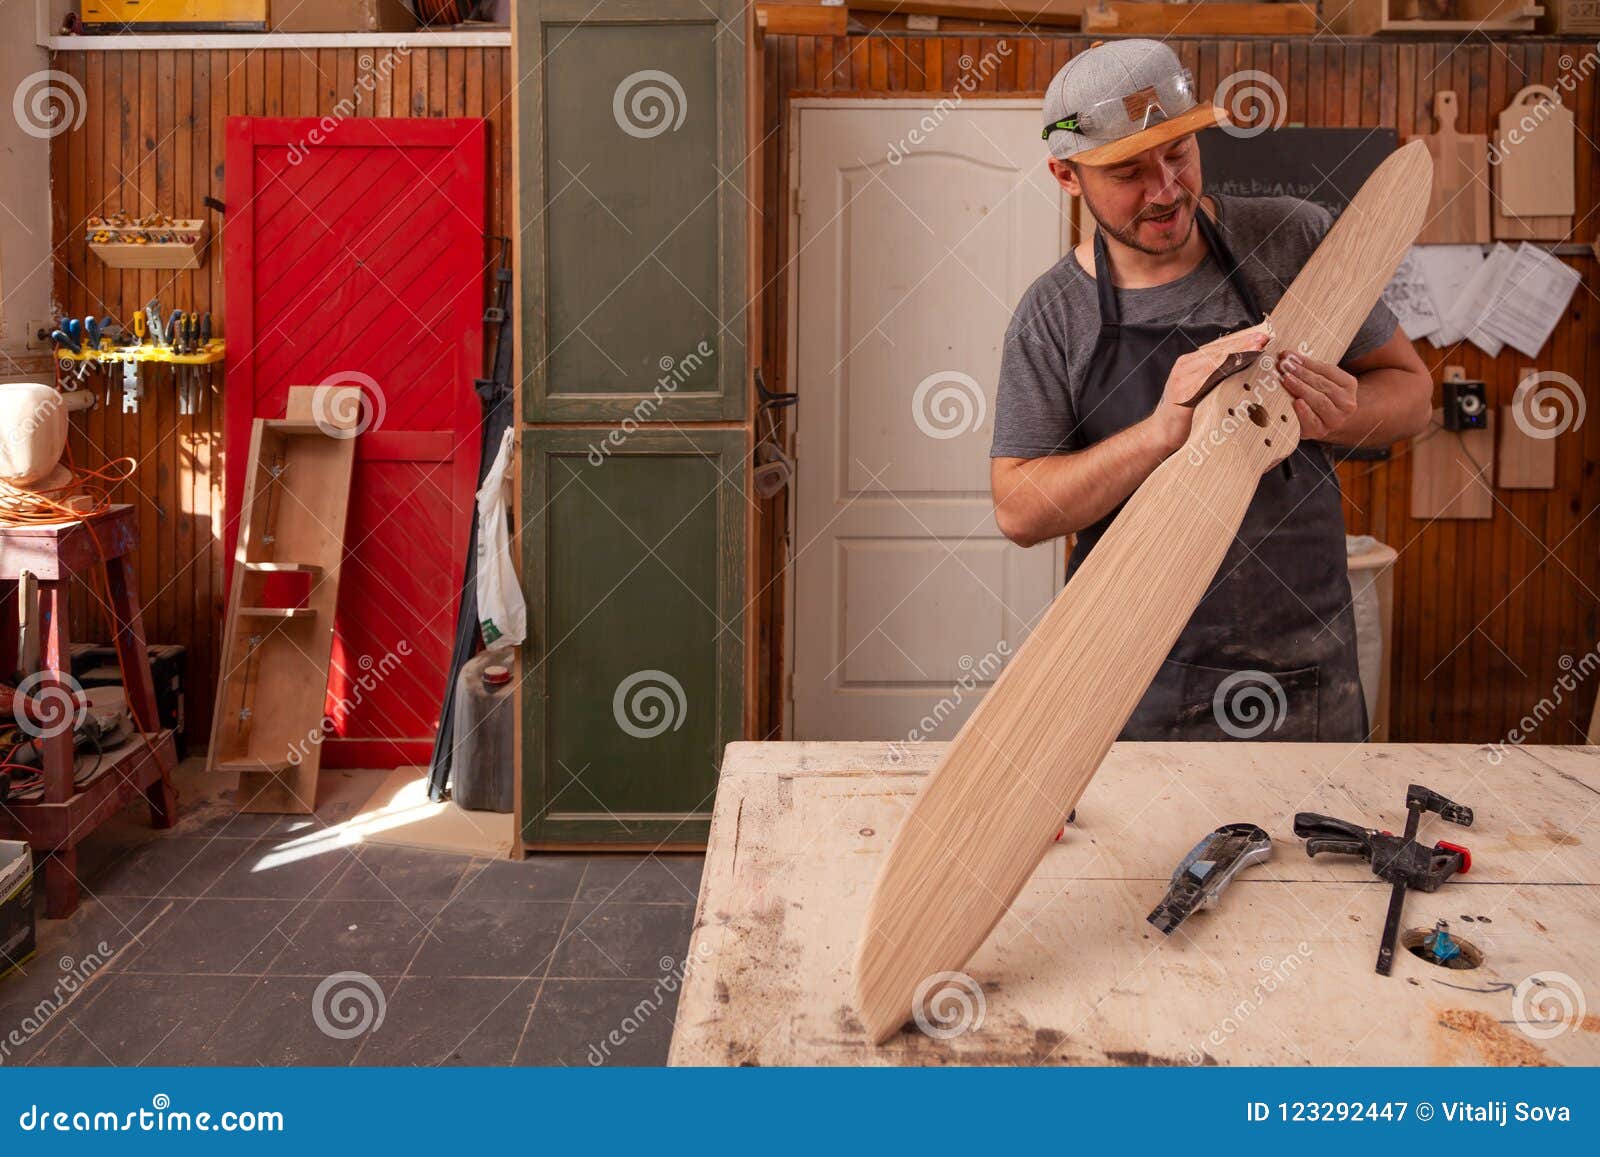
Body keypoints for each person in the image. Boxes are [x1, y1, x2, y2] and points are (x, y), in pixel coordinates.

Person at [989, 39, 1431, 741]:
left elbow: (1412, 394)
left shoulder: (1293, 239)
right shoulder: (1055, 314)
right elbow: (1019, 510)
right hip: (1134, 676)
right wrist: (1162, 432)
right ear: (1066, 175)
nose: (1166, 190)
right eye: (1129, 172)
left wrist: (1331, 416)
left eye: (1179, 154)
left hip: (1303, 662)